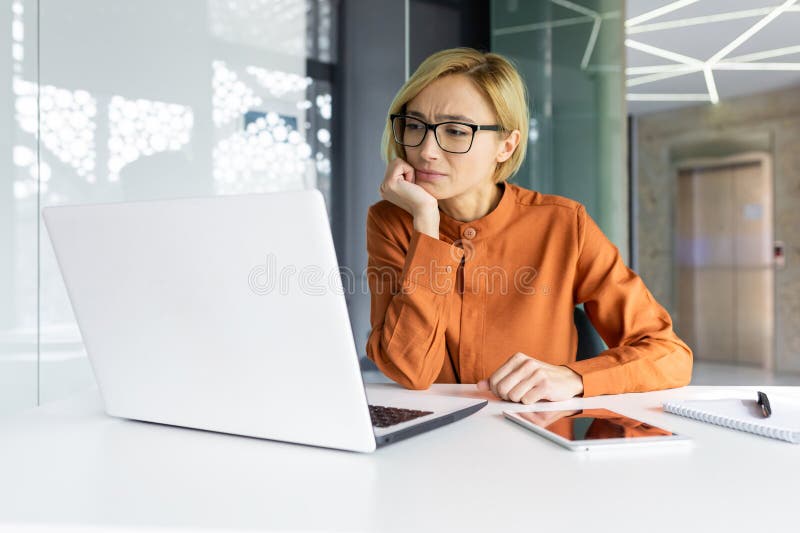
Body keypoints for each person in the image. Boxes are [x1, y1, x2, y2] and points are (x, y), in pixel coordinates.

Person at [365, 47, 692, 404]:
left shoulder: (564, 225)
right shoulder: (394, 221)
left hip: (539, 440)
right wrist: (425, 224)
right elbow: (408, 370)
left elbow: (668, 355)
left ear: (506, 145)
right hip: (432, 442)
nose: (426, 150)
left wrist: (574, 377)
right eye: (415, 126)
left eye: (456, 131)